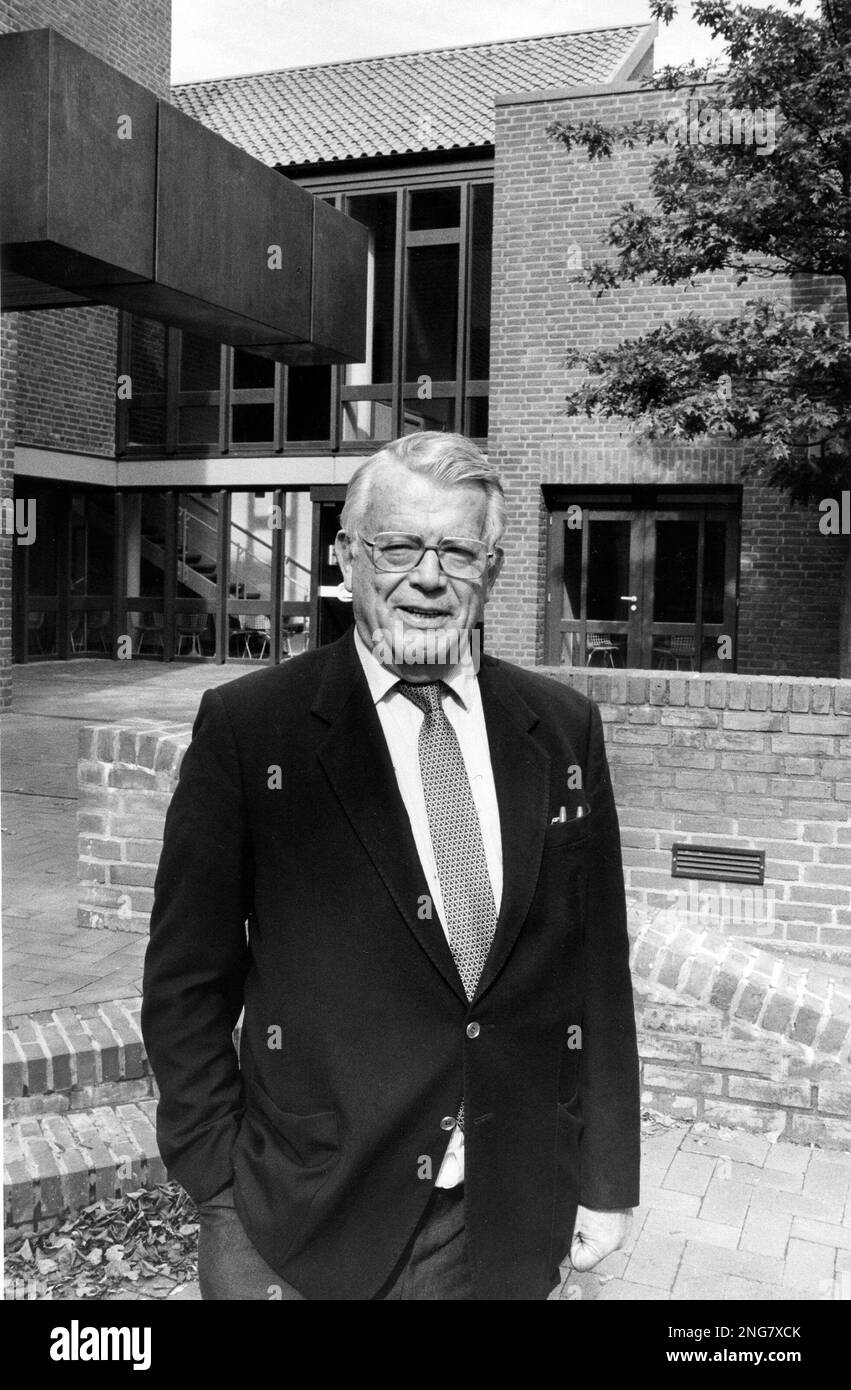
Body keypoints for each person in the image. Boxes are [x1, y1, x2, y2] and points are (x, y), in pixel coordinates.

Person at [141, 431, 640, 1301]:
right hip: (295, 1218)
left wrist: (606, 1179)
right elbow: (187, 979)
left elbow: (596, 972)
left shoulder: (562, 728)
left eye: (457, 550)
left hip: (505, 1220)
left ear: (490, 567)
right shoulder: (252, 729)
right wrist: (216, 1175)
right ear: (346, 556)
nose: (429, 576)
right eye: (400, 546)